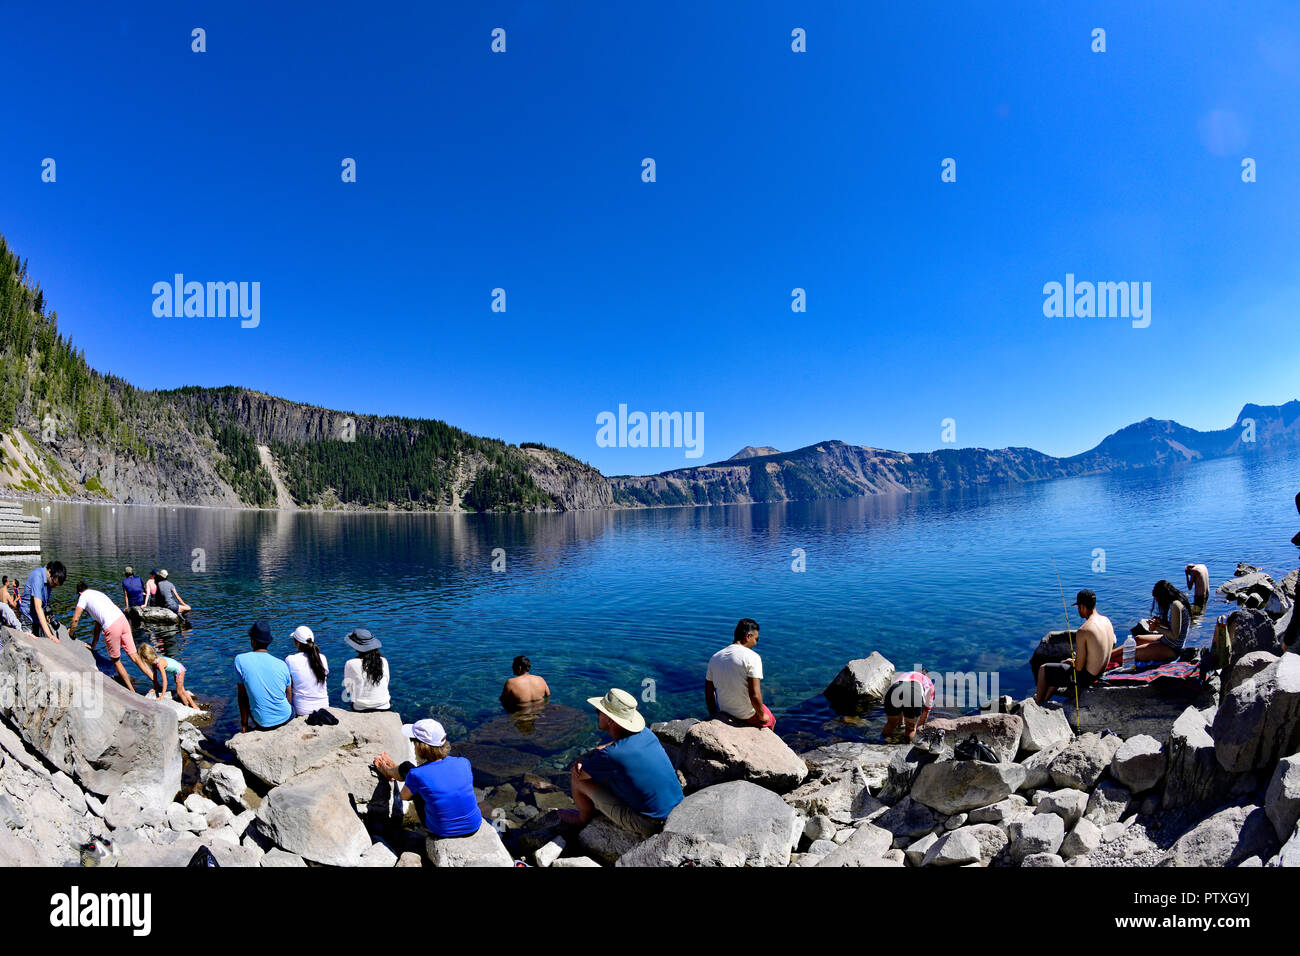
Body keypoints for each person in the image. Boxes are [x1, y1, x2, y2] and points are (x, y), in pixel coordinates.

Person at [559, 688, 683, 836]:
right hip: (678, 809)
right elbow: (611, 747)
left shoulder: (613, 755)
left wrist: (580, 759)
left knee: (578, 781)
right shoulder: (646, 734)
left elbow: (579, 774)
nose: (597, 714)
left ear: (610, 720)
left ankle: (582, 818)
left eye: (600, 711)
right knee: (605, 773)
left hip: (651, 823)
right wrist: (595, 753)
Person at [373, 719, 482, 838]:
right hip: (474, 825)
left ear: (420, 747)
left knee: (408, 770)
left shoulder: (417, 774)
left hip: (441, 831)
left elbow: (404, 797)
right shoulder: (463, 762)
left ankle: (389, 771)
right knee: (411, 773)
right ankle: (393, 768)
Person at [71, 582, 155, 692]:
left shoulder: (83, 596)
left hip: (111, 626)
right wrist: (93, 645)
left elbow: (76, 619)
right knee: (135, 657)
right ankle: (156, 684)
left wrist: (71, 632)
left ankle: (132, 692)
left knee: (116, 661)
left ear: (80, 593)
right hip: (122, 619)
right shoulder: (98, 594)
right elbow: (97, 626)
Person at [1036, 589, 1117, 702]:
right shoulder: (1106, 621)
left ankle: (1037, 703)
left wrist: (1072, 661)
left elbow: (1078, 667)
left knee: (1043, 669)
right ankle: (1046, 699)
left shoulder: (1084, 630)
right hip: (1101, 671)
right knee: (1062, 666)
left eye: (1078, 607)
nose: (1078, 611)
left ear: (1082, 607)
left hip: (1087, 678)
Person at [704, 617, 775, 728]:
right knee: (771, 720)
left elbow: (709, 693)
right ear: (748, 636)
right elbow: (754, 695)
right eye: (756, 639)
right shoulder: (752, 657)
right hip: (745, 715)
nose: (756, 643)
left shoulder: (715, 657)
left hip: (724, 711)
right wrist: (761, 716)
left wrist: (714, 715)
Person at [235, 620, 293, 732]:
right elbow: (289, 693)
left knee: (246, 694)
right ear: (268, 642)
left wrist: (244, 725)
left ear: (253, 641)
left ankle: (249, 725)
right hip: (286, 717)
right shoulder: (282, 664)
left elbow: (242, 696)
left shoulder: (240, 660)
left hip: (262, 722)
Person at [1133, 579, 1191, 662]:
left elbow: (1175, 635)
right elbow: (1175, 625)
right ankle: (1109, 654)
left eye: (1158, 599)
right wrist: (1161, 622)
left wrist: (1156, 628)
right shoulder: (1176, 602)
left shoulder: (1176, 605)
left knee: (1131, 653)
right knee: (1137, 639)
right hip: (1166, 640)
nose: (1157, 602)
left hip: (1173, 647)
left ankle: (1108, 659)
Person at [139, 642, 200, 710]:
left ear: (147, 658)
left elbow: (165, 680)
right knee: (182, 690)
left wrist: (162, 695)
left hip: (179, 671)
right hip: (177, 670)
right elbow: (155, 677)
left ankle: (188, 706)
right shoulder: (154, 663)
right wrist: (155, 688)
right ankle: (192, 705)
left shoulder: (160, 664)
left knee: (180, 691)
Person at [341, 628, 390, 712]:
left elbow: (348, 688)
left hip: (360, 707)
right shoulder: (384, 661)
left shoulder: (350, 663)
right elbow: (386, 682)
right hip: (384, 705)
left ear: (356, 647)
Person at [882, 668, 936, 743]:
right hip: (914, 692)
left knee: (890, 723)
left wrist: (901, 724)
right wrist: (919, 728)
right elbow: (926, 711)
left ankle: (883, 743)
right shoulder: (929, 682)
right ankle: (907, 747)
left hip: (894, 688)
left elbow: (901, 704)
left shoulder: (905, 674)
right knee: (910, 729)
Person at [286, 625, 330, 716]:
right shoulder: (322, 658)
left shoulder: (290, 660)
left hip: (302, 709)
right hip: (324, 706)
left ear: (297, 643)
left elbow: (288, 686)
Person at [19, 560, 66, 642]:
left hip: (37, 617)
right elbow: (38, 607)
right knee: (30, 643)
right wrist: (50, 635)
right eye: (54, 584)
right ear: (49, 572)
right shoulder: (38, 576)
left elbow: (43, 603)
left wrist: (47, 616)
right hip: (28, 616)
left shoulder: (49, 580)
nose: (54, 587)